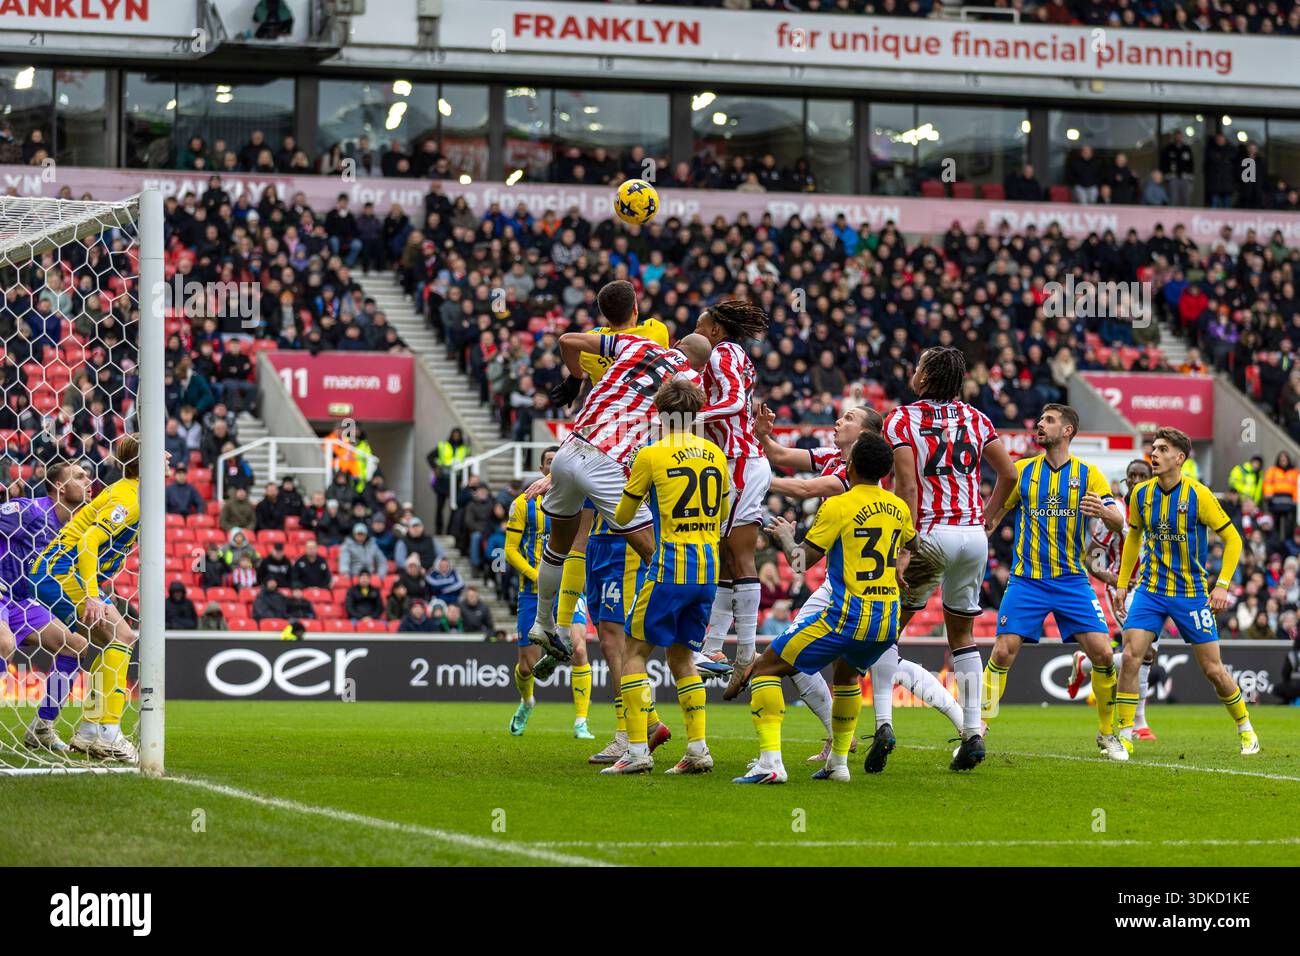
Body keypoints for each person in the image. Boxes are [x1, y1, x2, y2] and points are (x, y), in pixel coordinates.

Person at [752, 401, 964, 765]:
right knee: (852, 665)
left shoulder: (845, 483)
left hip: (848, 593)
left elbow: (802, 500)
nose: (838, 419)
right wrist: (762, 435)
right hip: (864, 592)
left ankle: (959, 724)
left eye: (849, 417)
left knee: (804, 660)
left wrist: (746, 478)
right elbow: (779, 452)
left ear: (865, 437)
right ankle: (841, 748)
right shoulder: (841, 462)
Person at [527, 313, 712, 667]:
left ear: (674, 345)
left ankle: (545, 623)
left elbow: (567, 340)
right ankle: (689, 646)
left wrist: (575, 379)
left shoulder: (635, 342)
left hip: (570, 449)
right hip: (610, 463)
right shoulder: (689, 380)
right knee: (657, 556)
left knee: (558, 547)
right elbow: (688, 425)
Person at [734, 433, 916, 785]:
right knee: (846, 678)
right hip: (887, 621)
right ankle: (838, 763)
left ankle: (770, 763)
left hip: (847, 616)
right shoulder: (899, 506)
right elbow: (914, 542)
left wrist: (787, 537)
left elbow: (802, 562)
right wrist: (893, 566)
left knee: (766, 668)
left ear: (850, 466)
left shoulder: (838, 505)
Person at [880, 346, 1017, 771]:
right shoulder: (977, 419)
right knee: (963, 635)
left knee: (885, 633)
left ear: (925, 378)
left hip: (930, 533)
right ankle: (973, 731)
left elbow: (906, 487)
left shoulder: (902, 418)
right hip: (973, 535)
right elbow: (1009, 474)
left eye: (919, 366)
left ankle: (884, 724)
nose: (914, 371)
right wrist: (990, 518)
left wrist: (903, 547)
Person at [981, 405, 1130, 761]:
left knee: (1104, 653)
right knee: (1002, 651)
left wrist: (1107, 513)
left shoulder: (1088, 474)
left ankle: (1108, 733)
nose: (1039, 424)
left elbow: (1116, 520)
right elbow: (993, 514)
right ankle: (977, 728)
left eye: (1048, 421)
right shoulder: (1021, 472)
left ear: (1068, 431)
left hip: (1071, 581)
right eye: (1041, 419)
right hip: (1027, 579)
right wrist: (980, 528)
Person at [600, 379, 730, 776]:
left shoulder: (651, 453)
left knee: (634, 653)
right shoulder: (714, 453)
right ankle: (697, 750)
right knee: (682, 657)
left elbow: (622, 516)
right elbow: (724, 513)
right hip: (708, 567)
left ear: (660, 411)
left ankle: (637, 751)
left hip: (671, 564)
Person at [1114, 428, 1259, 756]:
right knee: (1131, 656)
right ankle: (1123, 735)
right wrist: (1124, 583)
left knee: (1212, 670)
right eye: (1153, 448)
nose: (1154, 453)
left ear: (1179, 458)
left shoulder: (1199, 495)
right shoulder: (1140, 494)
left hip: (1190, 593)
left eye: (1162, 449)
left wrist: (1221, 585)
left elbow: (1234, 540)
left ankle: (1245, 727)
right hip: (1150, 590)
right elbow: (1134, 538)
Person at [29, 435, 145, 762]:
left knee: (107, 641)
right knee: (120, 635)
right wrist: (93, 594)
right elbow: (89, 542)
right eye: (162, 452)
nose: (168, 458)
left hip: (55, 572)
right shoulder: (130, 497)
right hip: (59, 572)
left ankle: (92, 730)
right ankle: (104, 730)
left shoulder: (129, 492)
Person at [690, 300, 773, 701]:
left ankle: (744, 652)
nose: (695, 331)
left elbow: (737, 403)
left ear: (716, 329)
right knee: (726, 554)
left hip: (740, 461)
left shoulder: (722, 353)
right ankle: (715, 648)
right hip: (736, 460)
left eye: (700, 325)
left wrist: (693, 415)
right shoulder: (732, 353)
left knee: (738, 556)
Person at [0, 461, 94, 751]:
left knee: (76, 645)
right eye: (80, 476)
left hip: (22, 602)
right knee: (4, 644)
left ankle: (42, 727)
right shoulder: (29, 510)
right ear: (60, 487)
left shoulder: (73, 529)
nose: (88, 480)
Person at [503, 445, 593, 740]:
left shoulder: (579, 499)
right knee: (527, 665)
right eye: (550, 462)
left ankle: (581, 721)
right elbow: (510, 551)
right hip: (532, 592)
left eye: (559, 462)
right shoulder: (522, 504)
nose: (555, 466)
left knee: (579, 649)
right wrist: (537, 576)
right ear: (543, 469)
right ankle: (527, 701)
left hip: (568, 590)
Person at [427, 428, 468, 536]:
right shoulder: (443, 446)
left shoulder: (464, 449)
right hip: (443, 480)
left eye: (458, 434)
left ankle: (450, 530)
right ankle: (438, 530)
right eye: (454, 434)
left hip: (455, 481)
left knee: (454, 506)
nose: (456, 437)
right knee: (440, 507)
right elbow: (430, 456)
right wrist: (435, 468)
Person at [1263, 452, 1299, 541]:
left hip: (1290, 503)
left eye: (1285, 459)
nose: (1283, 461)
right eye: (1281, 459)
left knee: (1289, 527)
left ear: (1288, 460)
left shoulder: (1294, 472)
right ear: (1278, 460)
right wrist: (1269, 496)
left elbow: (1296, 487)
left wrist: (1295, 500)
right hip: (1275, 501)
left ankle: (1287, 546)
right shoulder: (1272, 470)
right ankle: (1276, 545)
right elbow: (1267, 483)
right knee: (1275, 526)